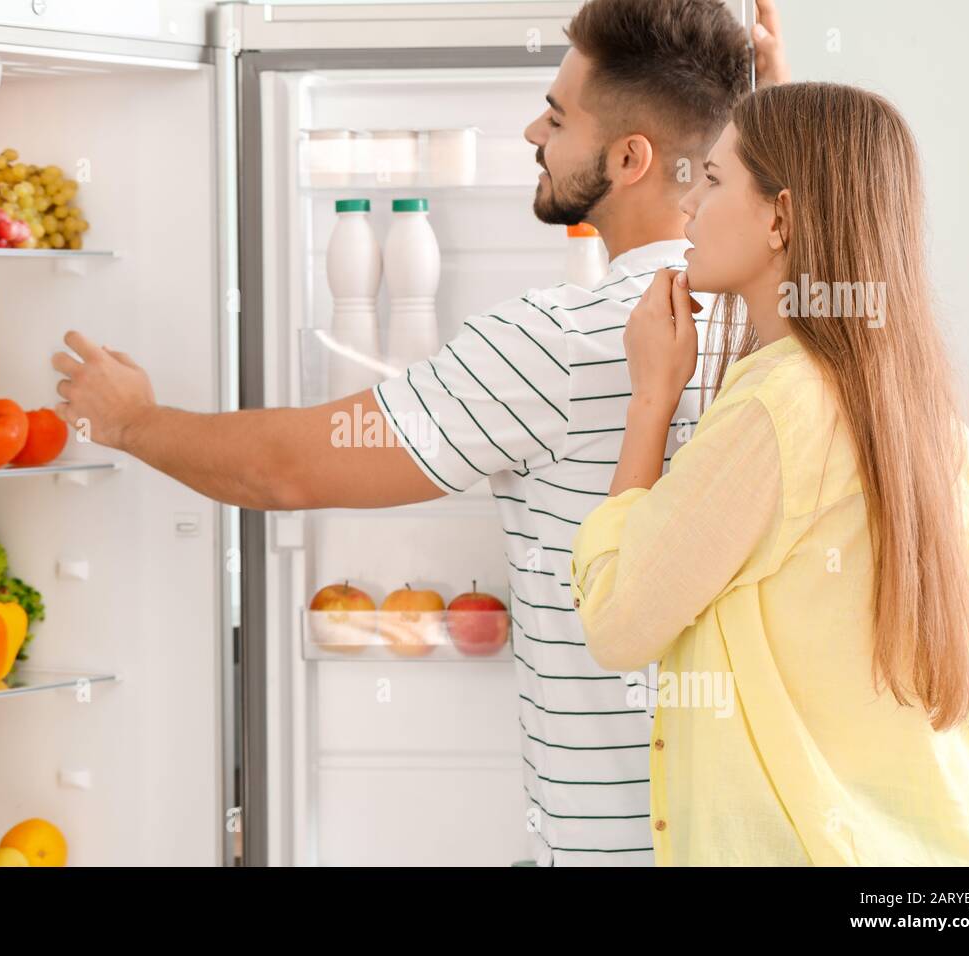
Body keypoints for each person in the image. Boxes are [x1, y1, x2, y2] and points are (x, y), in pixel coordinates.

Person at [51, 0, 787, 866]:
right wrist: (778, 116)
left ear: (630, 159)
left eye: (556, 116)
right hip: (767, 833)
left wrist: (134, 420)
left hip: (614, 845)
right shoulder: (786, 329)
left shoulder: (556, 341)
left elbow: (288, 471)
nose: (530, 131)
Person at [570, 81, 969, 865]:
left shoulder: (775, 411)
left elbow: (616, 618)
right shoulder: (932, 427)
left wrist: (651, 400)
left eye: (710, 181)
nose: (687, 212)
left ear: (780, 216)